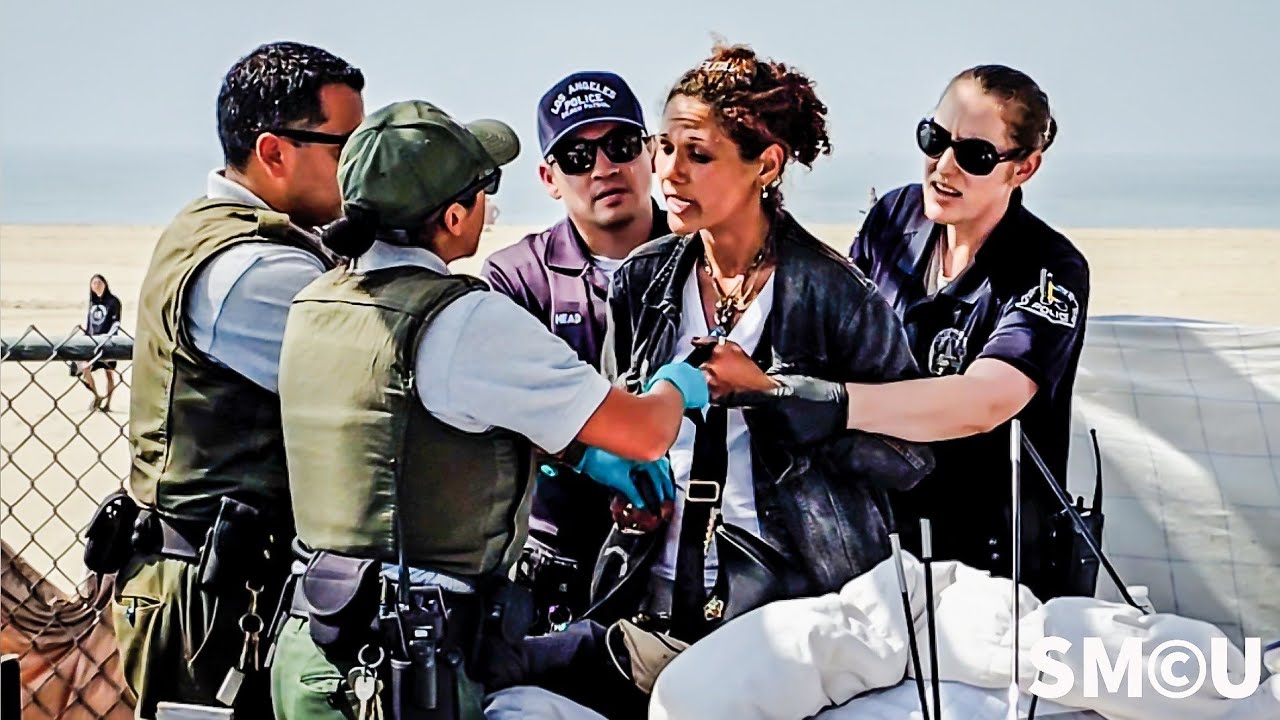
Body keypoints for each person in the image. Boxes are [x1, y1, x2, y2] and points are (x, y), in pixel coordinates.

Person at [268, 99, 709, 720]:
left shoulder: (315, 304)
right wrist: (678, 383)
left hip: (314, 644)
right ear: (453, 216)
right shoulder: (464, 320)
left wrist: (581, 453)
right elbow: (642, 432)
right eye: (482, 190)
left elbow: (414, 431)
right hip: (411, 660)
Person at [587, 43, 935, 649]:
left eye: (698, 154)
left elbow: (910, 458)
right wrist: (629, 486)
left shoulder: (836, 296)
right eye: (663, 148)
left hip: (794, 605)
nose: (668, 172)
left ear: (766, 165)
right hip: (649, 589)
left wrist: (777, 397)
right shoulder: (640, 281)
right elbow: (618, 418)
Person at [106, 41, 365, 718]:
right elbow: (381, 384)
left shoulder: (222, 235)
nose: (362, 170)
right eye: (347, 148)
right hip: (213, 597)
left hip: (213, 579)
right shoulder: (256, 272)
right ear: (275, 151)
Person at [843, 65, 1089, 600]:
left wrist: (833, 405)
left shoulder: (1049, 268)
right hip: (875, 550)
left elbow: (983, 403)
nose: (943, 167)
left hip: (994, 573)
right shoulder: (892, 217)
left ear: (1023, 168)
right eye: (934, 139)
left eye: (975, 156)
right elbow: (838, 338)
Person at [481, 70, 670, 630]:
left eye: (620, 146)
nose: (605, 168)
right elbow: (503, 409)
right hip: (560, 566)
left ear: (652, 152)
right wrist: (592, 457)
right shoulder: (517, 278)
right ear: (548, 177)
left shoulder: (707, 259)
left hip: (696, 554)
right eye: (576, 156)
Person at [77, 273, 123, 412]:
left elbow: (116, 321)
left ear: (105, 284)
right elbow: (90, 322)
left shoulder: (113, 301)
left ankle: (108, 403)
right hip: (92, 342)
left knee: (109, 373)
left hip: (108, 343)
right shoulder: (92, 302)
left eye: (99, 282)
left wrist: (110, 336)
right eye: (93, 283)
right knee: (84, 367)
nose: (96, 285)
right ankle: (96, 395)